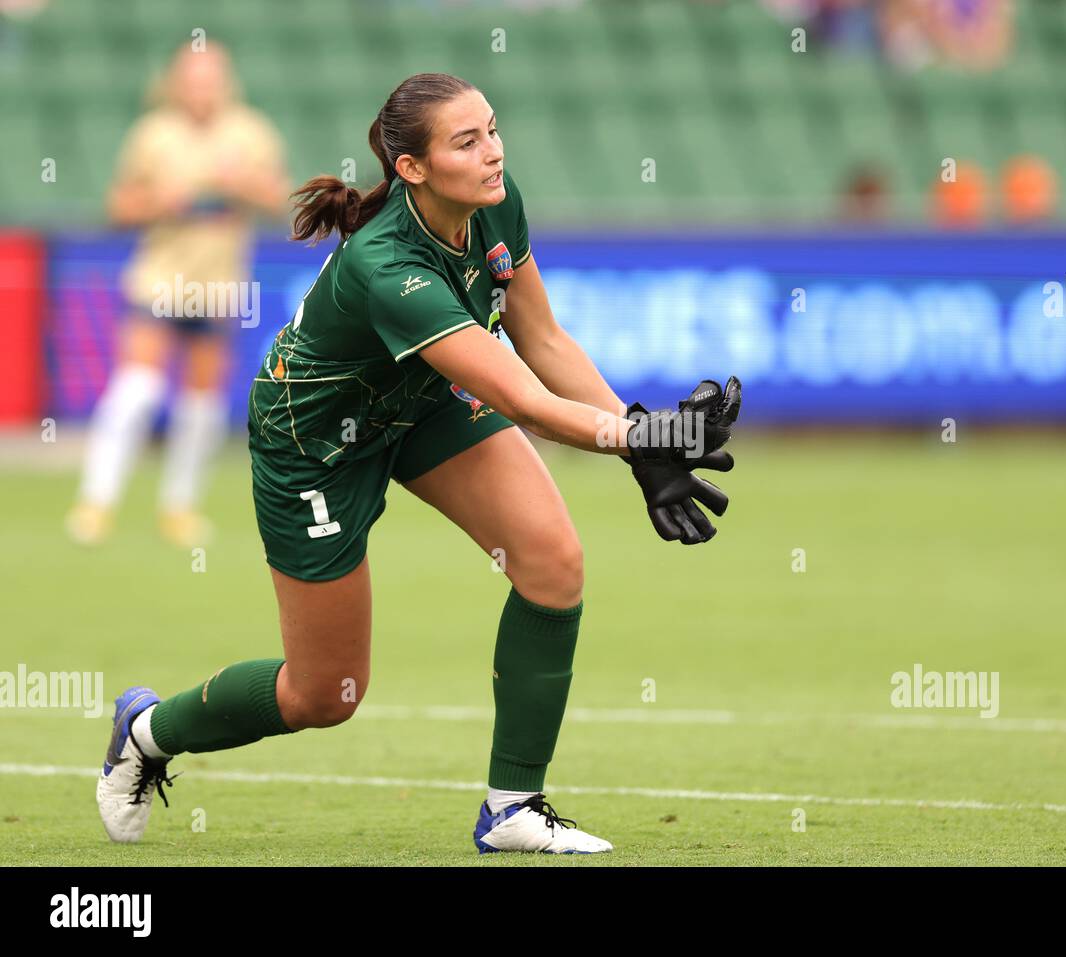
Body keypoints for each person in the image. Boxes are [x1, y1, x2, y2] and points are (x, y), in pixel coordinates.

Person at [95, 73, 742, 855]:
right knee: (324, 694)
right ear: (413, 168)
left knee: (553, 561)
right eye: (467, 142)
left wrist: (636, 437)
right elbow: (526, 402)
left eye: (493, 130)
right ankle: (147, 731)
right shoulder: (386, 265)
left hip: (422, 401)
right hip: (317, 442)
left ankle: (511, 808)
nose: (493, 152)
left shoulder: (496, 203)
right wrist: (647, 437)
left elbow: (543, 342)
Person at [66, 42, 289, 547]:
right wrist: (160, 202)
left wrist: (244, 186)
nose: (202, 88)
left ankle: (179, 508)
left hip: (216, 288)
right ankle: (96, 501)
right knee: (137, 391)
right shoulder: (154, 133)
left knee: (201, 406)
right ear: (176, 82)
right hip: (160, 280)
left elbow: (279, 199)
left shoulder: (250, 132)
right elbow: (119, 207)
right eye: (193, 78)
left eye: (211, 78)